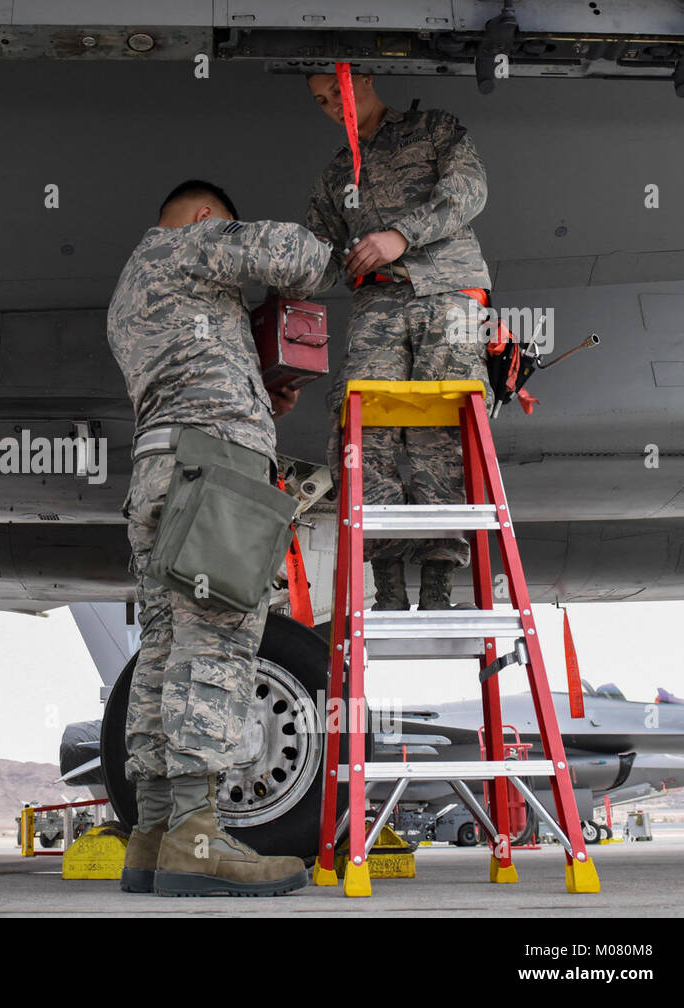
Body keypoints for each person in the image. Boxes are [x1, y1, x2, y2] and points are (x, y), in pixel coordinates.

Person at [107, 180, 333, 896]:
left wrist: (259, 392)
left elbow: (187, 372)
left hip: (162, 468)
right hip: (214, 468)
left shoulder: (136, 285)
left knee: (166, 649)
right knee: (220, 641)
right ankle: (200, 837)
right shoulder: (191, 243)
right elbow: (299, 259)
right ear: (208, 220)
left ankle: (153, 833)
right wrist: (342, 238)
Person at [283, 70, 495, 610]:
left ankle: (440, 578)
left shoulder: (432, 130)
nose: (332, 104)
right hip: (378, 301)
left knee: (441, 431)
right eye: (320, 100)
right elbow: (320, 253)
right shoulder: (337, 173)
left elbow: (468, 192)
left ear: (366, 79)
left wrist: (400, 236)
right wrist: (270, 270)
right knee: (358, 427)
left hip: (449, 291)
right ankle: (389, 576)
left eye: (338, 91)